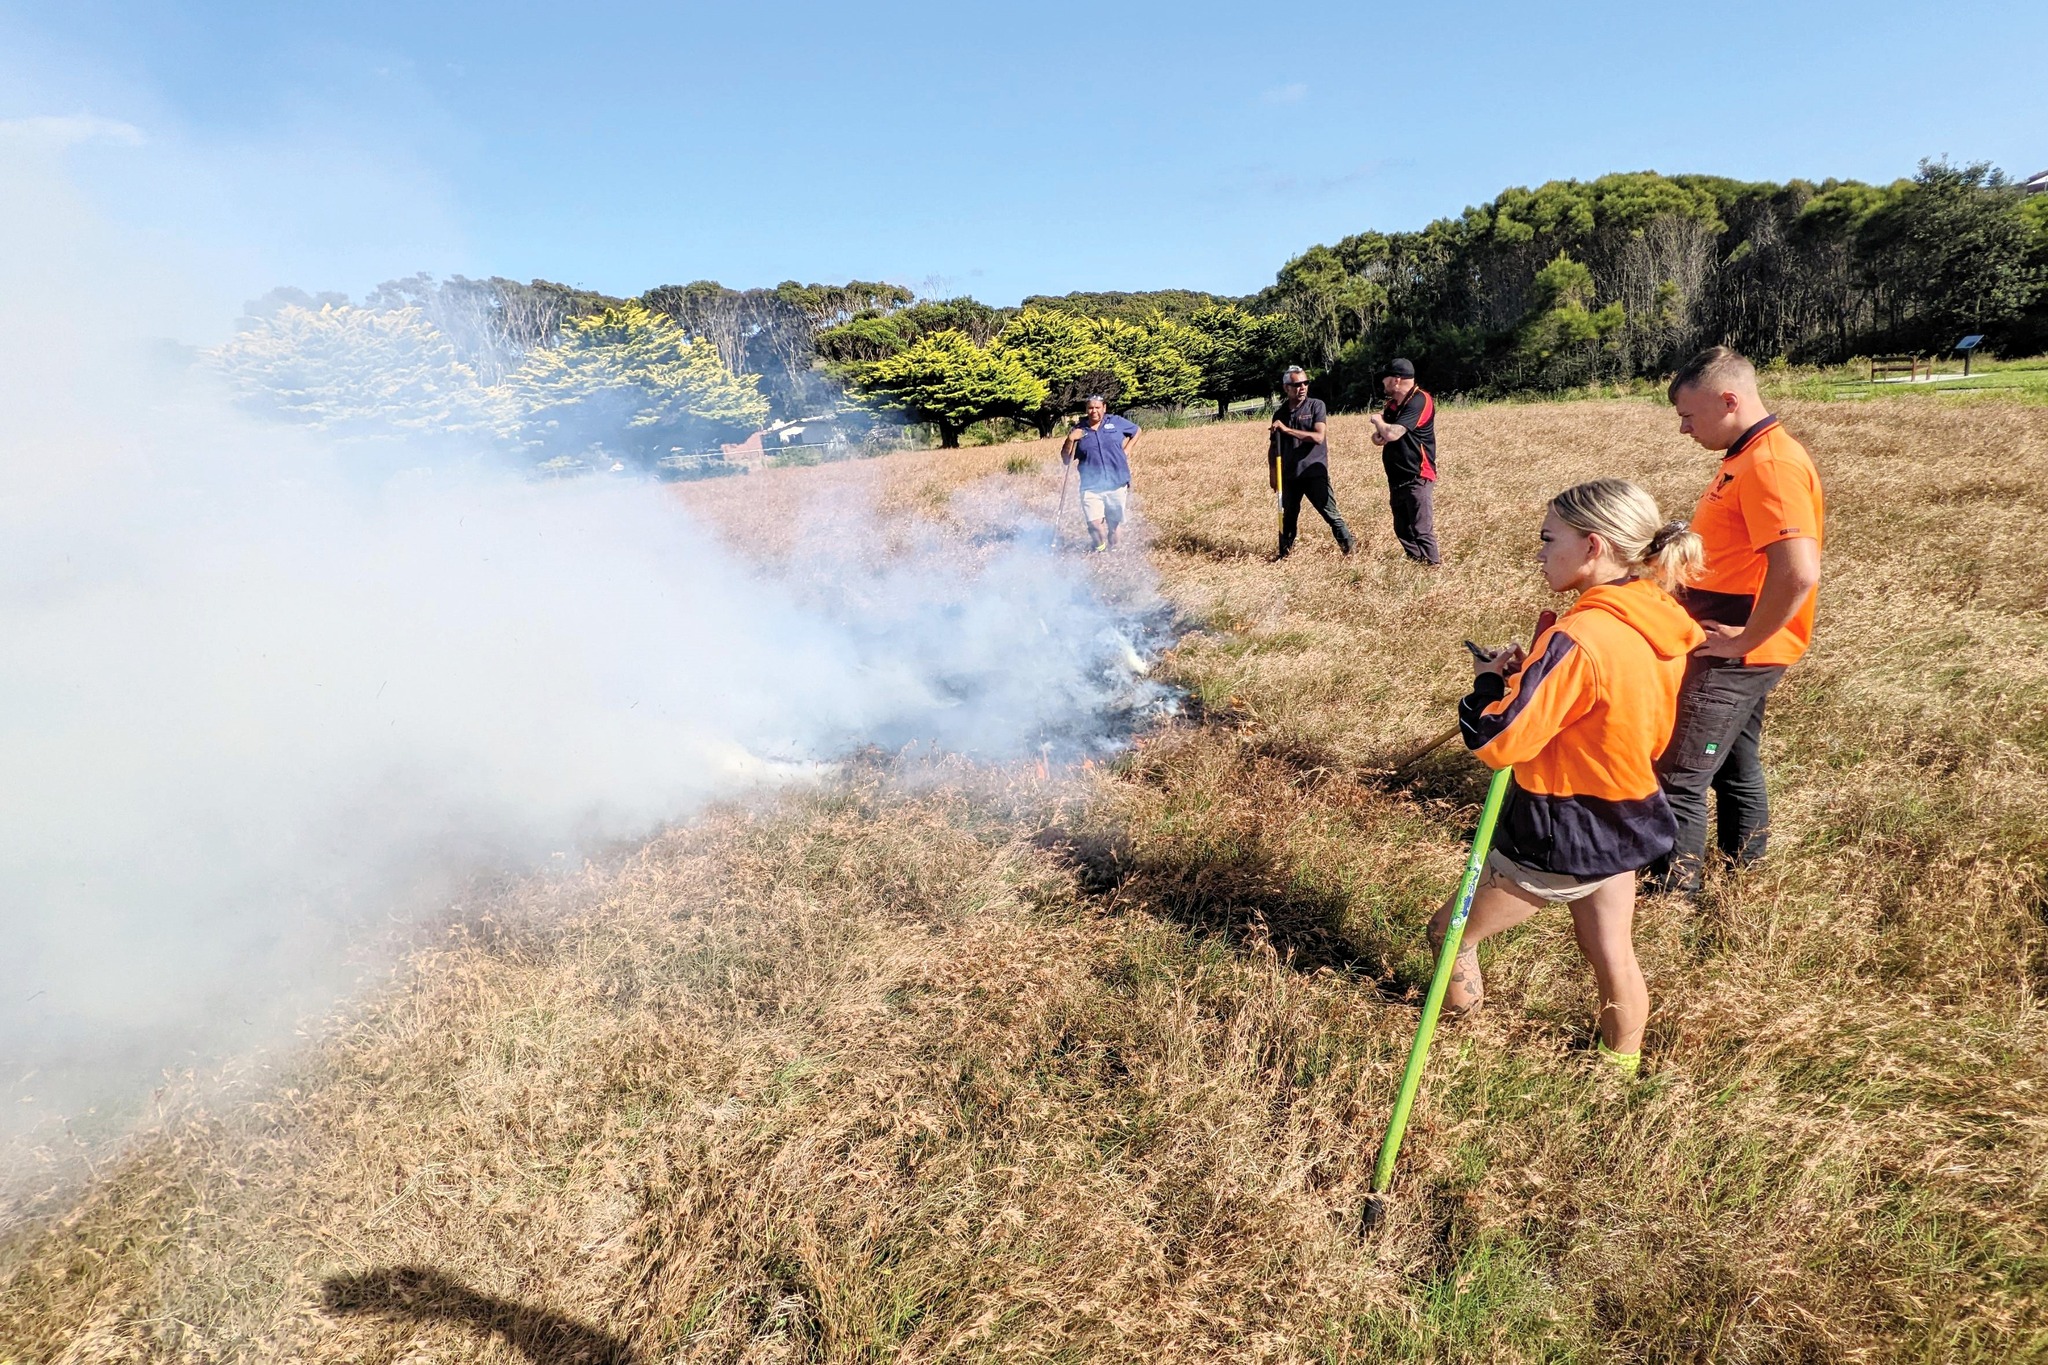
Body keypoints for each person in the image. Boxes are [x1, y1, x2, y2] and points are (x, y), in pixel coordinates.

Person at [1433, 479, 1706, 1074]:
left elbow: (1500, 741)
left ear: (1592, 545)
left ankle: (1463, 1056)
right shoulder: (1657, 614)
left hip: (1566, 826)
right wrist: (1532, 676)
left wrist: (1489, 683)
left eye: (1547, 539)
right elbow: (1594, 709)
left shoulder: (1579, 636)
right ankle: (1619, 1066)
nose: (1539, 552)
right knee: (1610, 950)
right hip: (1629, 810)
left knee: (1448, 936)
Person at [1646, 346, 1825, 898]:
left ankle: (1673, 896)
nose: (1683, 429)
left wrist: (1745, 641)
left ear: (1729, 400)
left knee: (1679, 776)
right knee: (1735, 763)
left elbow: (1798, 571)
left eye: (1689, 416)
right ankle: (1747, 873)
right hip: (1741, 642)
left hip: (1735, 647)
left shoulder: (1770, 464)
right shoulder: (1748, 456)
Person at [1268, 365, 1355, 558]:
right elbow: (1273, 447)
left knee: (1330, 514)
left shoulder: (1316, 406)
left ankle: (1350, 550)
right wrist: (1273, 474)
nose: (1302, 387)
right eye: (1297, 384)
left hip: (1314, 473)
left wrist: (1288, 430)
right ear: (1286, 388)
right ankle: (1284, 555)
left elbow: (1318, 437)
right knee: (1287, 517)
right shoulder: (1280, 414)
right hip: (1289, 475)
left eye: (1305, 383)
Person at [1367, 358, 1441, 565]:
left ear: (1396, 380)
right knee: (1402, 529)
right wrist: (1377, 435)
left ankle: (1433, 568)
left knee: (1421, 529)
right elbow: (1382, 437)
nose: (1383, 382)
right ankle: (1418, 565)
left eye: (1386, 378)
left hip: (1418, 475)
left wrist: (1378, 421)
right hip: (1397, 478)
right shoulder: (1393, 405)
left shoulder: (1420, 400)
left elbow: (1392, 433)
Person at [1060, 394, 1139, 551]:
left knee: (1114, 525)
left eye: (1097, 407)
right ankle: (1100, 550)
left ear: (1104, 408)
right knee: (1095, 525)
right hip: (1091, 487)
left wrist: (1127, 450)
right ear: (1086, 410)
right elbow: (1066, 459)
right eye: (1090, 408)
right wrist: (1070, 439)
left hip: (1117, 483)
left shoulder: (1116, 422)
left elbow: (1137, 430)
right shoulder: (1078, 430)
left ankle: (1113, 552)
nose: (1094, 411)